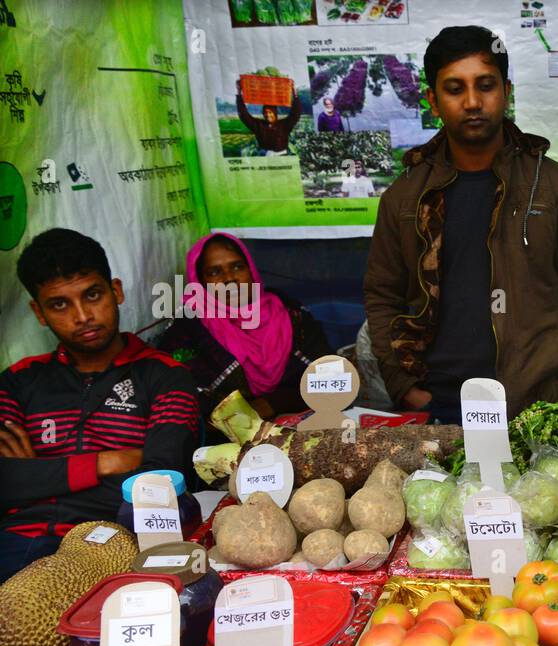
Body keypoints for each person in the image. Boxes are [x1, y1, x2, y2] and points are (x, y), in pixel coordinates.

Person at [365, 26, 558, 422]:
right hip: (439, 406)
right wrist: (404, 387)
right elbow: (381, 296)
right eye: (455, 88)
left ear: (506, 91)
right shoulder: (404, 198)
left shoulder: (553, 187)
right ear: (433, 99)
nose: (473, 102)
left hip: (536, 404)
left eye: (485, 85)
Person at [0, 229, 200, 583]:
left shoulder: (166, 377)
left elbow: (155, 485)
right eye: (60, 304)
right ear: (39, 312)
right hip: (14, 540)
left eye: (92, 295)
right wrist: (106, 461)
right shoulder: (17, 380)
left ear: (116, 291)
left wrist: (39, 476)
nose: (82, 316)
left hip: (111, 543)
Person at [157, 233, 331, 423]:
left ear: (251, 270)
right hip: (224, 442)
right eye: (214, 272)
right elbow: (181, 400)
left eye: (237, 267)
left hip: (307, 427)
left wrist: (273, 403)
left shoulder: (290, 313)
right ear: (200, 281)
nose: (229, 278)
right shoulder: (187, 328)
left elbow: (328, 377)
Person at [236, 86, 303, 155]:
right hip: (264, 156)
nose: (268, 115)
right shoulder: (259, 125)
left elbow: (295, 114)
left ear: (275, 113)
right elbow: (244, 116)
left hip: (281, 156)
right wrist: (239, 94)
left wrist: (295, 96)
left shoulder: (283, 125)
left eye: (270, 112)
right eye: (265, 113)